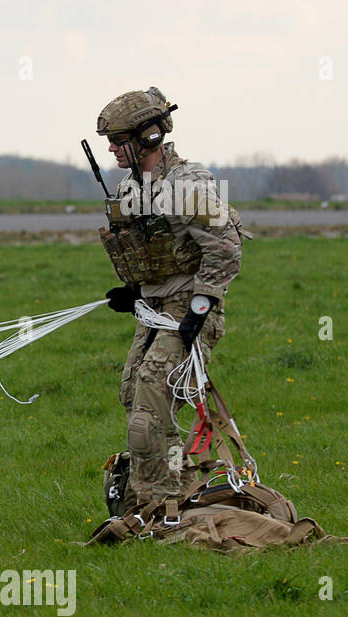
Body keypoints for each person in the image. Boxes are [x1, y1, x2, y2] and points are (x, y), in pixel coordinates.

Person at [95, 87, 250, 524]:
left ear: (147, 137)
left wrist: (200, 308)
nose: (110, 148)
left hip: (191, 308)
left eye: (117, 139)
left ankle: (158, 508)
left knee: (147, 407)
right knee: (134, 395)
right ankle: (179, 491)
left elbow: (226, 247)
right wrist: (136, 291)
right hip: (156, 307)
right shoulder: (132, 186)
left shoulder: (187, 185)